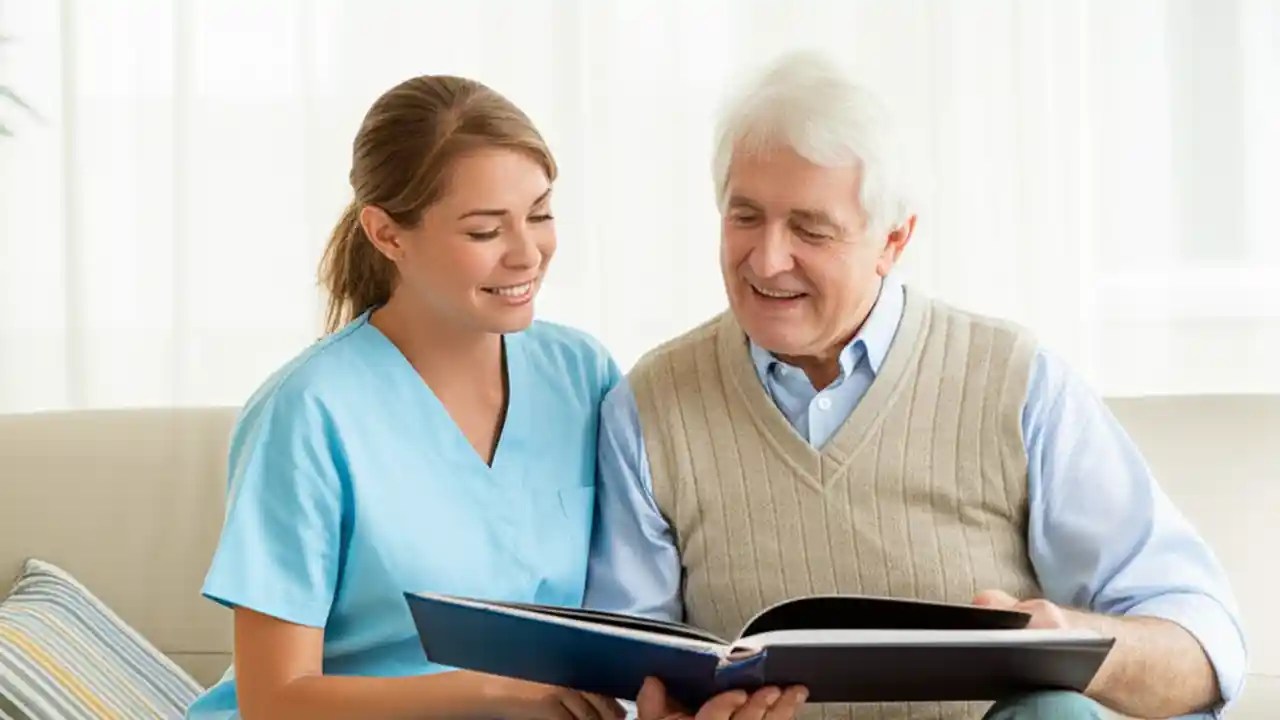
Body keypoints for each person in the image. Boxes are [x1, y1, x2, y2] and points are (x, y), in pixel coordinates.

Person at [585, 52, 1248, 720]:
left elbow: (1204, 650)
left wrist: (1078, 645)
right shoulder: (650, 408)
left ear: (893, 240)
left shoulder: (1015, 383)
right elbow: (628, 673)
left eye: (810, 229)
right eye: (745, 216)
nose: (767, 258)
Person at [186, 73, 789, 720]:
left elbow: (631, 608)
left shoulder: (580, 373)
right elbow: (275, 701)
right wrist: (495, 692)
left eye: (540, 215)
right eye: (483, 232)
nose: (528, 254)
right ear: (388, 235)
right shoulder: (307, 413)